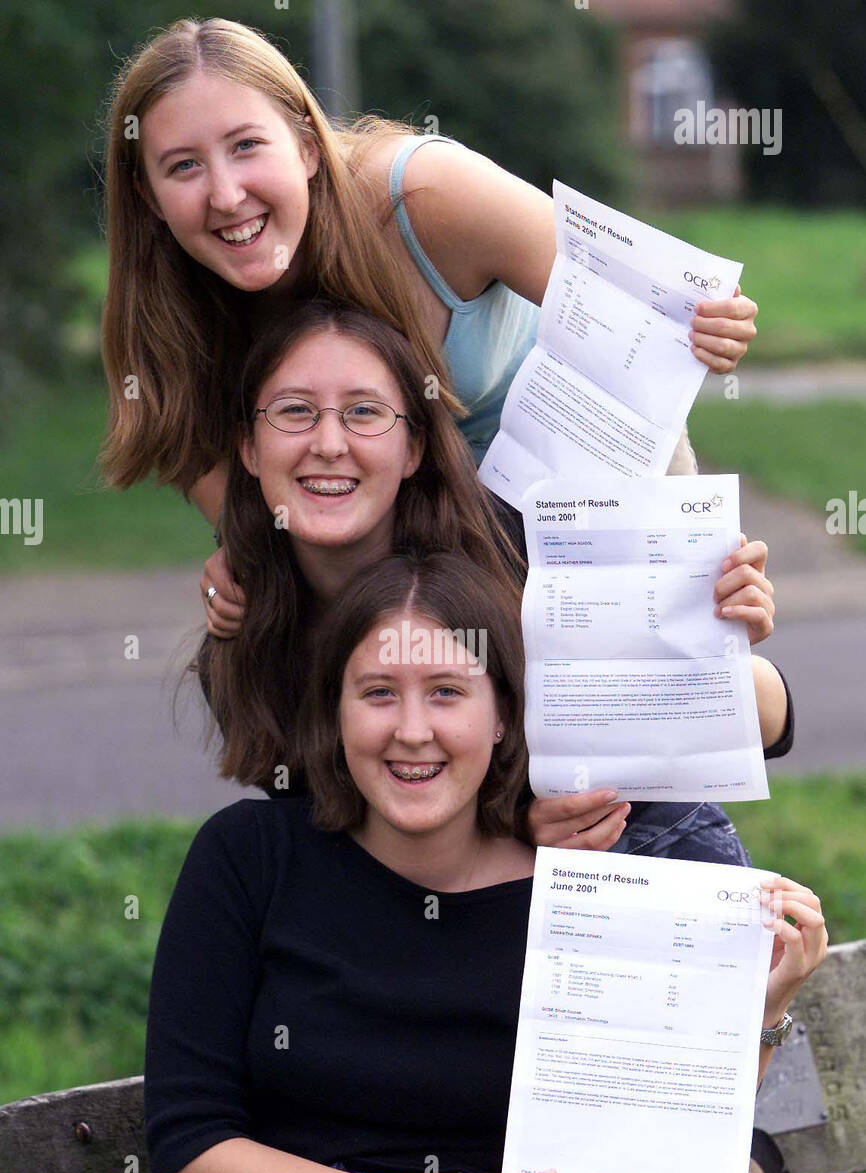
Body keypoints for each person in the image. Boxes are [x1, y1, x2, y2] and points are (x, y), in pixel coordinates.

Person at [144, 552, 848, 1173]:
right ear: (335, 710)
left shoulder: (578, 903)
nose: (412, 731)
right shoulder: (250, 858)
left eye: (447, 692)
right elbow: (190, 1157)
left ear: (507, 714)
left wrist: (750, 1020)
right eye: (378, 693)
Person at [97, 16, 759, 637]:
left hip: (585, 490)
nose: (226, 194)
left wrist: (707, 329)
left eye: (246, 146)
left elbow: (642, 311)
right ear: (149, 197)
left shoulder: (423, 197)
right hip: (404, 551)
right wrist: (239, 570)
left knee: (662, 708)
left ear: (304, 144)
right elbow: (259, 542)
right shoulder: (168, 328)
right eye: (183, 165)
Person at [195, 299, 791, 870]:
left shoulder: (528, 551)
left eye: (365, 412)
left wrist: (718, 639)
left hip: (625, 908)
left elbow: (766, 716)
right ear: (248, 447)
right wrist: (508, 840)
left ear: (414, 447)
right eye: (294, 410)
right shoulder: (251, 639)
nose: (329, 444)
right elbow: (345, 868)